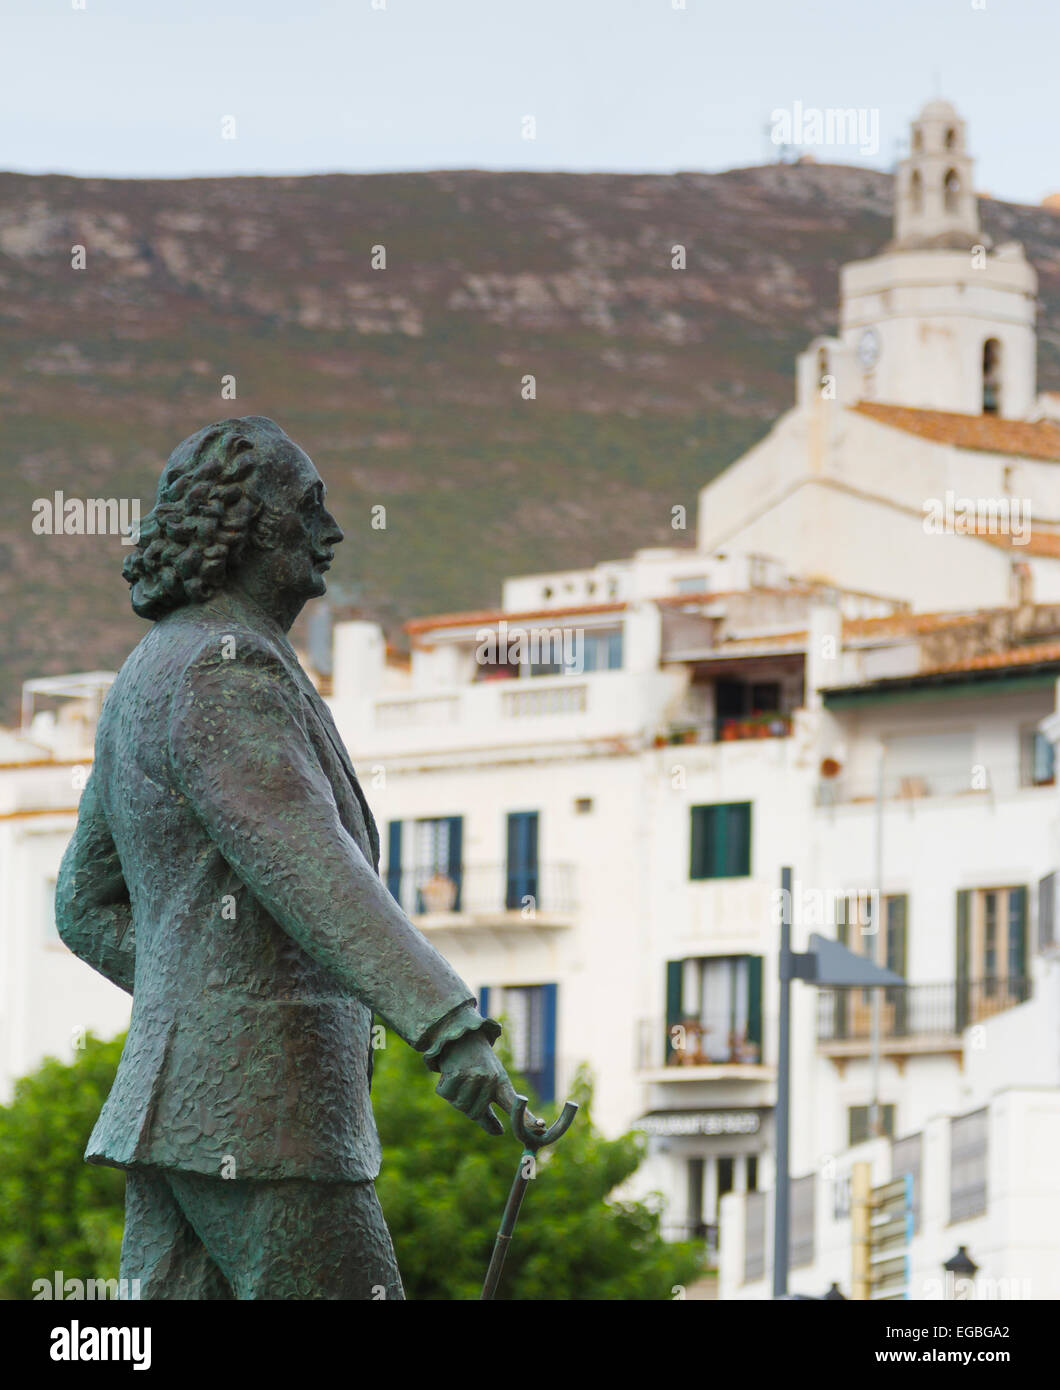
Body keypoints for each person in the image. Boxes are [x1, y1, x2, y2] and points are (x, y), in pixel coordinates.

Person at [56, 416, 517, 1299]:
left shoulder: (150, 671)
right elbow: (317, 873)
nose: (331, 533)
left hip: (178, 1110)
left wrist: (192, 992)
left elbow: (84, 906)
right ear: (241, 527)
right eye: (308, 508)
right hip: (264, 1120)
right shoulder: (226, 673)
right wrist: (451, 1025)